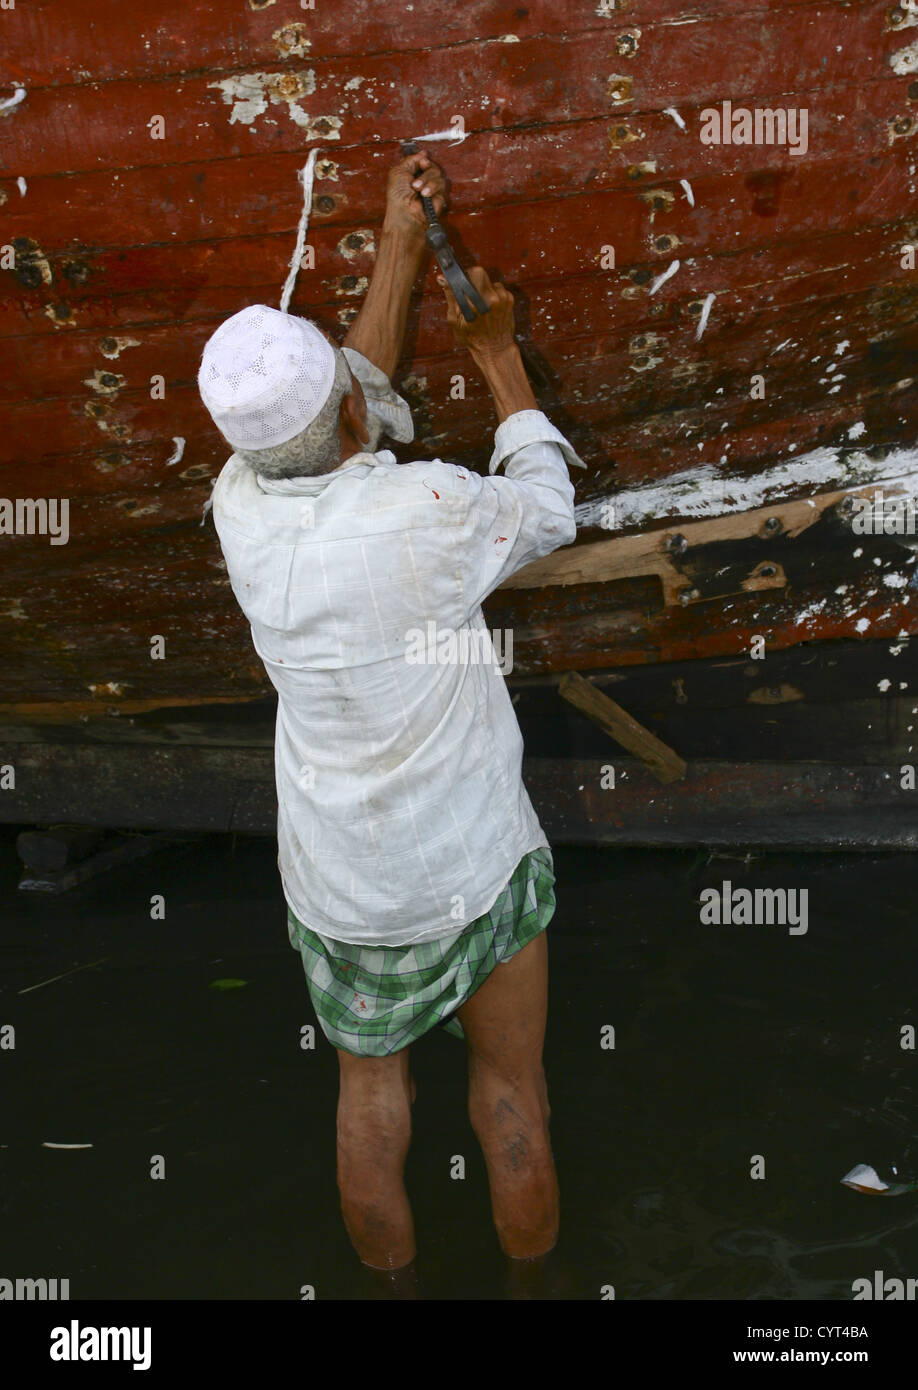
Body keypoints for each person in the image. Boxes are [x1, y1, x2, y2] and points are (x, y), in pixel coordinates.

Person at [197, 152, 584, 1294]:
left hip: (347, 890)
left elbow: (340, 401)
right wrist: (499, 355)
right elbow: (549, 509)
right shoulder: (427, 510)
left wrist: (397, 243)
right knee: (513, 1095)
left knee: (372, 1101)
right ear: (354, 413)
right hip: (474, 864)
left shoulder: (238, 507)